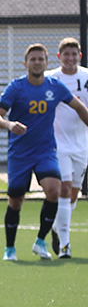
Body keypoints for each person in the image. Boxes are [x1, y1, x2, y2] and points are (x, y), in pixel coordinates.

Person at [0, 44, 88, 261]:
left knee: (54, 190)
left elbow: (79, 107)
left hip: (46, 151)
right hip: (20, 154)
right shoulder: (16, 87)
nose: (37, 63)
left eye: (41, 59)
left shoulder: (55, 86)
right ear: (26, 63)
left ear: (47, 62)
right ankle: (10, 248)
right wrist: (9, 124)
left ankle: (41, 241)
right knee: (16, 200)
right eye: (33, 59)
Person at [48, 38, 88, 258]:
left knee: (73, 194)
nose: (70, 58)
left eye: (74, 54)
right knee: (64, 189)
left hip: (82, 144)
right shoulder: (51, 79)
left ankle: (56, 226)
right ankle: (65, 245)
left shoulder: (86, 77)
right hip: (58, 144)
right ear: (59, 56)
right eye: (66, 54)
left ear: (79, 56)